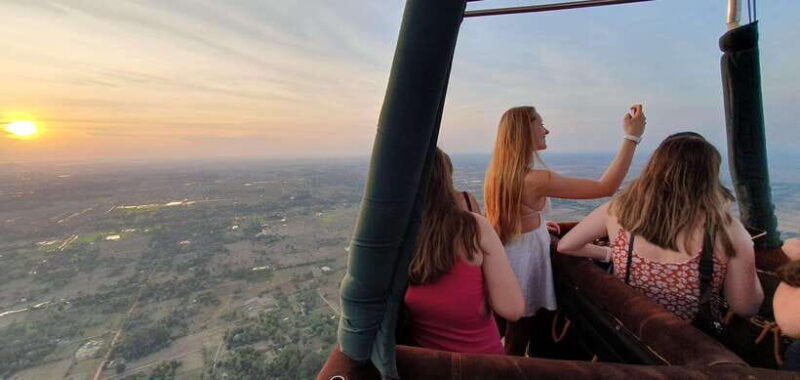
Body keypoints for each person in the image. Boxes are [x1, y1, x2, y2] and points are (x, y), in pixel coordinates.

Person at [484, 104, 646, 355]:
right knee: (520, 335)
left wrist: (537, 225)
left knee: (512, 331)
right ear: (525, 131)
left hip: (509, 255)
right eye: (540, 124)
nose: (546, 130)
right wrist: (632, 136)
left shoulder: (498, 174)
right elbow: (606, 187)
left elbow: (507, 218)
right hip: (526, 262)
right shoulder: (536, 179)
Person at [558, 133, 764, 324]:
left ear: (654, 168)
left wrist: (609, 254)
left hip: (630, 329)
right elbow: (745, 307)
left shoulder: (618, 210)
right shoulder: (728, 230)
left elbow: (566, 245)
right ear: (709, 177)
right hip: (690, 343)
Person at [404, 148, 523, 355]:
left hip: (426, 367)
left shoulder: (394, 236)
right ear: (445, 178)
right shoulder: (475, 227)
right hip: (484, 364)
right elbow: (512, 308)